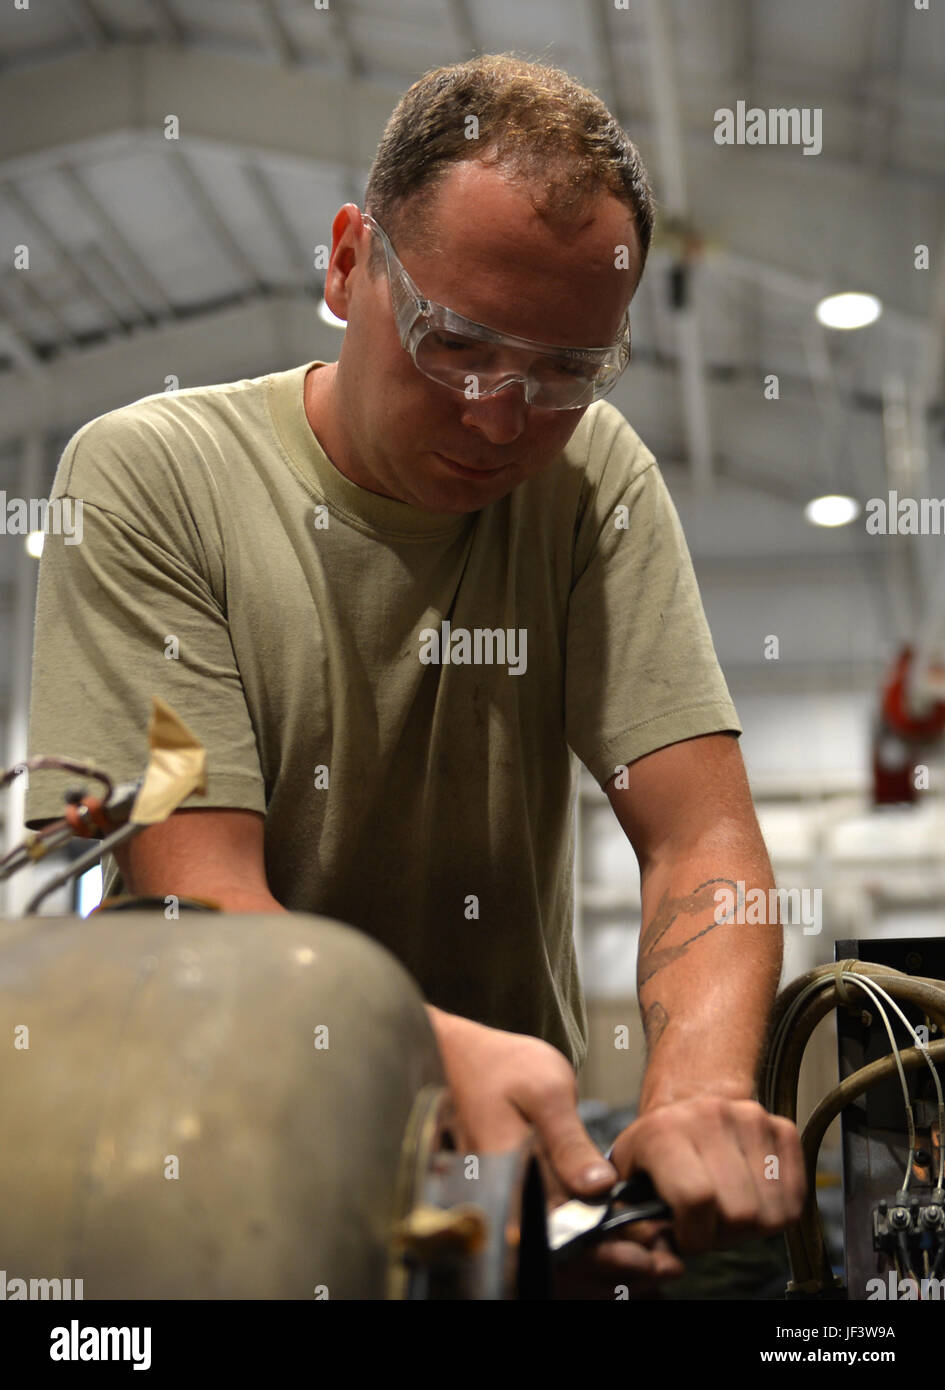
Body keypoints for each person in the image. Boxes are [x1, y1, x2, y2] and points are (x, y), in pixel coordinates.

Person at [26, 54, 804, 1296]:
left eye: (565, 371)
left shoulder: (590, 478)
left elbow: (700, 838)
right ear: (348, 262)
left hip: (529, 1195)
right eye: (458, 343)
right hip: (223, 1180)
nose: (504, 418)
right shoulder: (151, 481)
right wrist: (424, 1054)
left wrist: (697, 1096)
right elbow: (198, 906)